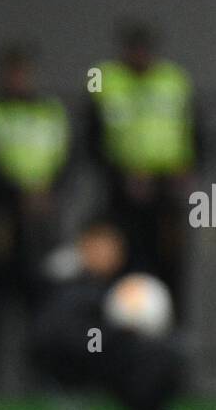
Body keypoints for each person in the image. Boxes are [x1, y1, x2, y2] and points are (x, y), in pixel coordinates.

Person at [32, 219, 181, 410]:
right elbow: (66, 335)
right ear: (87, 246)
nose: (112, 254)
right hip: (68, 363)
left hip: (94, 357)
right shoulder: (68, 283)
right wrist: (118, 336)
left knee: (156, 354)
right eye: (106, 247)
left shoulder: (103, 283)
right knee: (150, 358)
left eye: (116, 248)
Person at [0, 45, 71, 389]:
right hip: (0, 217)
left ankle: (41, 380)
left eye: (23, 71)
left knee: (40, 299)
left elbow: (66, 158)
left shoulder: (50, 111)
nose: (18, 79)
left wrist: (48, 192)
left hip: (40, 221)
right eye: (12, 71)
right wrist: (20, 194)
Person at [86, 22, 200, 314]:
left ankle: (171, 335)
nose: (139, 55)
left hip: (166, 194)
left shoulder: (174, 80)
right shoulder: (105, 79)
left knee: (170, 263)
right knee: (120, 262)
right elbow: (91, 139)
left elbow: (196, 133)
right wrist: (121, 174)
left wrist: (186, 170)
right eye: (133, 49)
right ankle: (118, 332)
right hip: (122, 193)